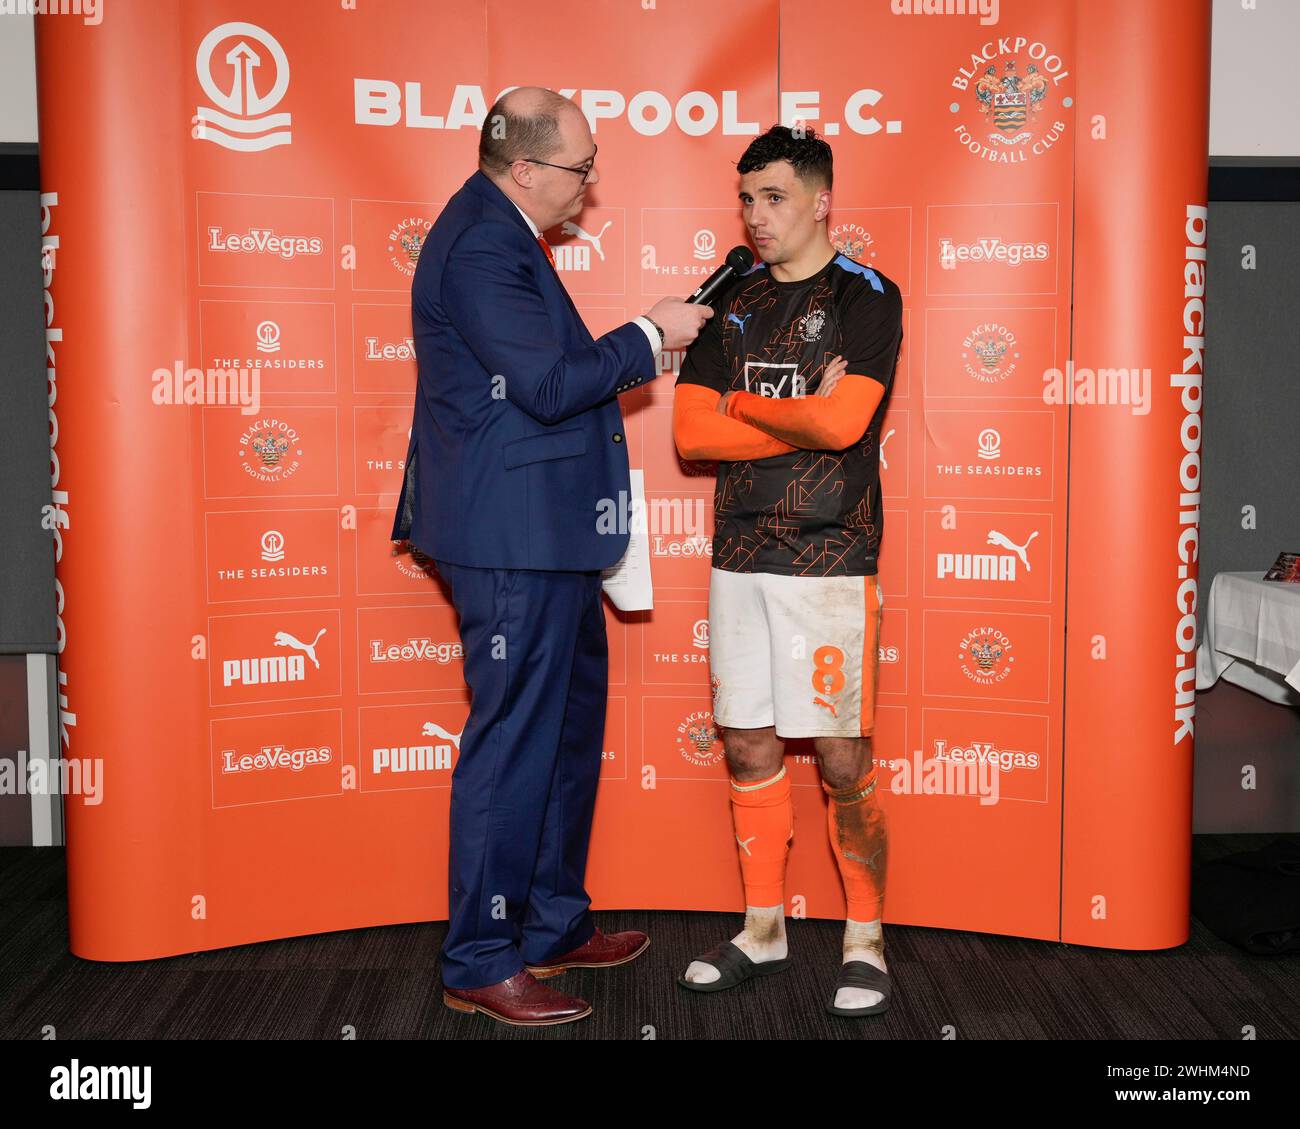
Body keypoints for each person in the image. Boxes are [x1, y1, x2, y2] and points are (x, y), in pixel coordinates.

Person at [391, 86, 712, 1027]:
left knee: (565, 735)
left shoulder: (502, 230)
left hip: (554, 531)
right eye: (580, 165)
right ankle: (481, 955)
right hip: (510, 538)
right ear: (524, 168)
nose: (592, 179)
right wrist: (653, 336)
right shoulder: (483, 240)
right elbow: (543, 385)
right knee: (515, 745)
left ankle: (550, 924)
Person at [671, 125, 903, 1017]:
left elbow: (846, 426)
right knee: (747, 742)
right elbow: (693, 435)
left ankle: (865, 940)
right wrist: (787, 407)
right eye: (746, 199)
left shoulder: (867, 297)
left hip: (832, 555)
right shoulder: (728, 302)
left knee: (841, 754)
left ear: (820, 199)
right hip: (739, 553)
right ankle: (762, 930)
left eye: (772, 197)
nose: (755, 217)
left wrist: (749, 406)